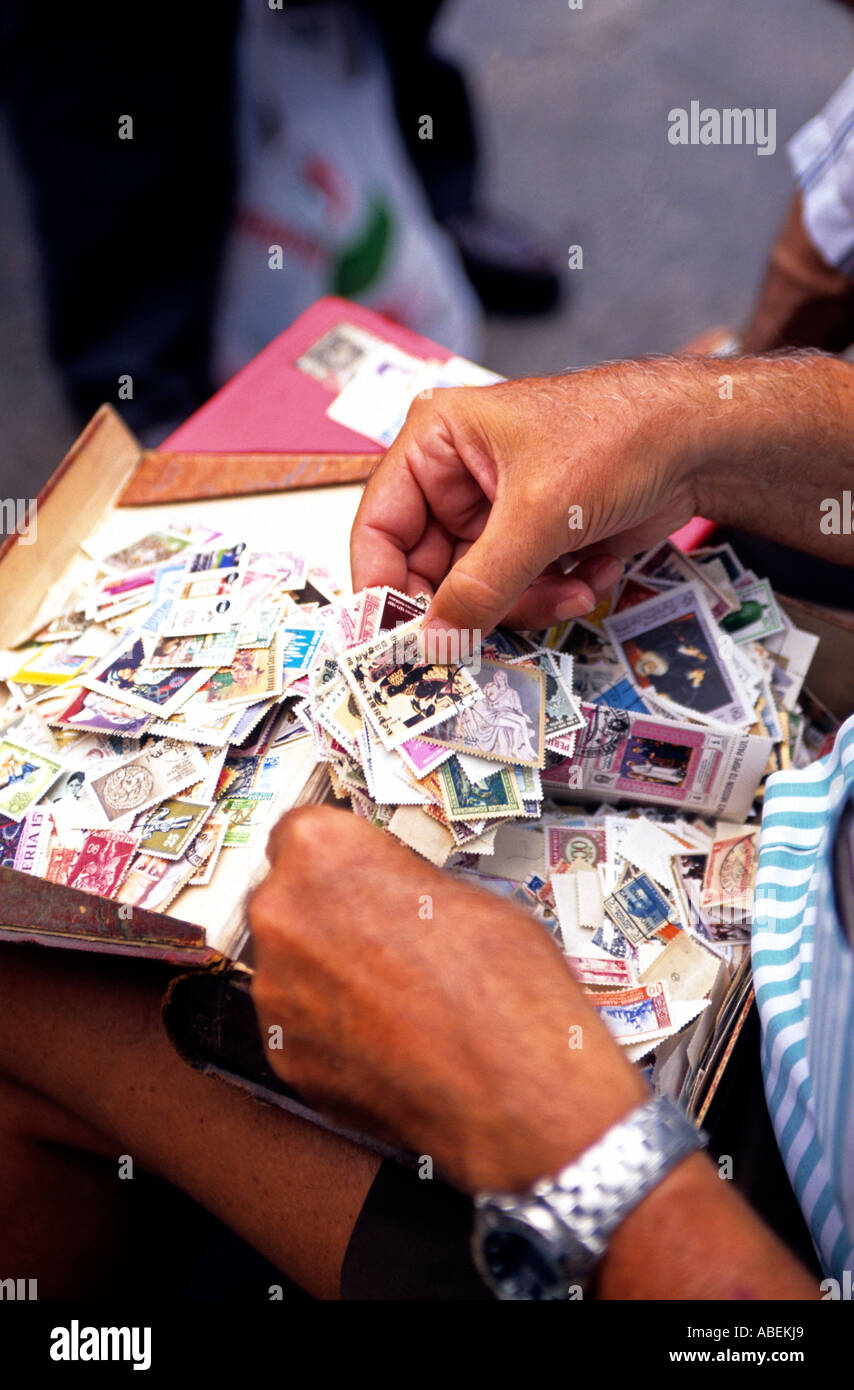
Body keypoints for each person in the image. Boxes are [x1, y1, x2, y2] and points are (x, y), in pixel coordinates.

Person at [1, 353, 852, 1300]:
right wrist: (695, 424)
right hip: (802, 857)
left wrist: (573, 1141)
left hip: (729, 1187)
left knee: (26, 984)